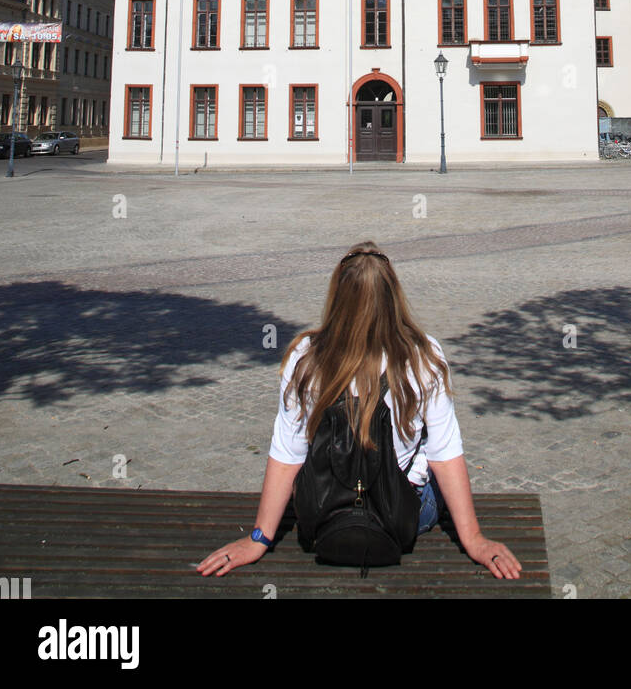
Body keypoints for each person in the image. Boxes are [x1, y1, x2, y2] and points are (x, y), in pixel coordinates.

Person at [197, 241, 521, 581]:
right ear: (392, 297)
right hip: (400, 513)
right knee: (428, 463)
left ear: (336, 298)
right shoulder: (425, 356)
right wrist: (474, 540)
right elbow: (445, 453)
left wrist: (259, 537)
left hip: (325, 511)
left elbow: (288, 452)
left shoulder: (305, 357)